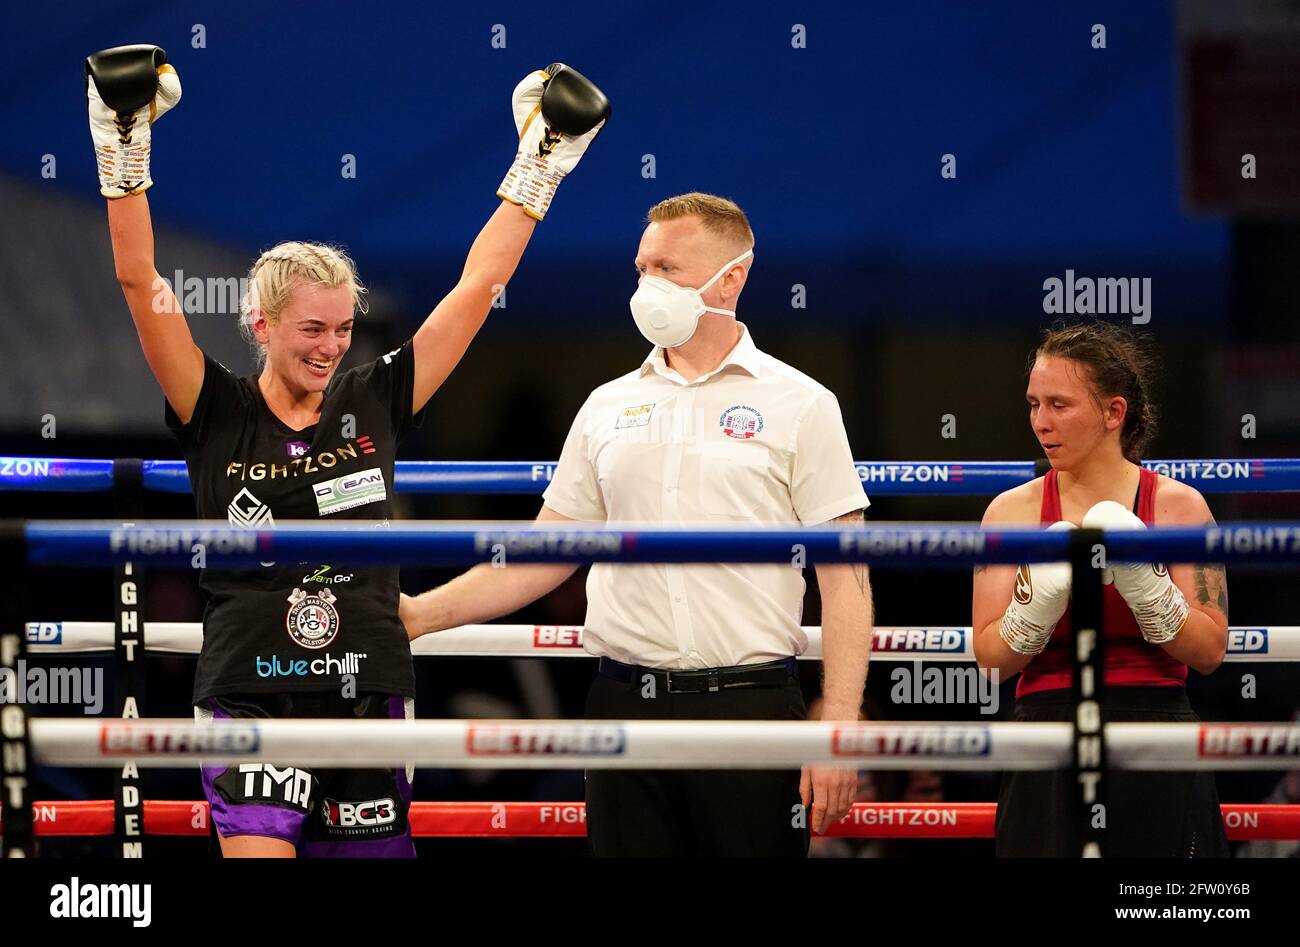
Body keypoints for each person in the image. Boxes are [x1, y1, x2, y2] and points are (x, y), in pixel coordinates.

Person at [88, 44, 607, 856]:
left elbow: (475, 289)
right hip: (248, 695)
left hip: (369, 688)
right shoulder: (213, 404)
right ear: (260, 326)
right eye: (311, 330)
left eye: (341, 328)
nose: (331, 347)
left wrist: (542, 161)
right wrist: (122, 145)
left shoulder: (375, 398)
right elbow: (138, 280)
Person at [402, 193, 873, 856]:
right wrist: (421, 614)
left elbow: (846, 575)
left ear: (731, 277)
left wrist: (841, 731)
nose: (648, 283)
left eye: (668, 268)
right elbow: (545, 551)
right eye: (641, 267)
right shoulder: (607, 404)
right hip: (624, 701)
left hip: (751, 705)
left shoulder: (801, 404)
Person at [972, 321, 1229, 857]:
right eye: (1033, 404)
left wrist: (1148, 589)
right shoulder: (1011, 512)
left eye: (1059, 405)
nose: (1041, 422)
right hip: (1046, 727)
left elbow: (1209, 652)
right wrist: (1034, 605)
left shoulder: (1179, 507)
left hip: (1157, 723)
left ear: (1114, 412)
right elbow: (992, 662)